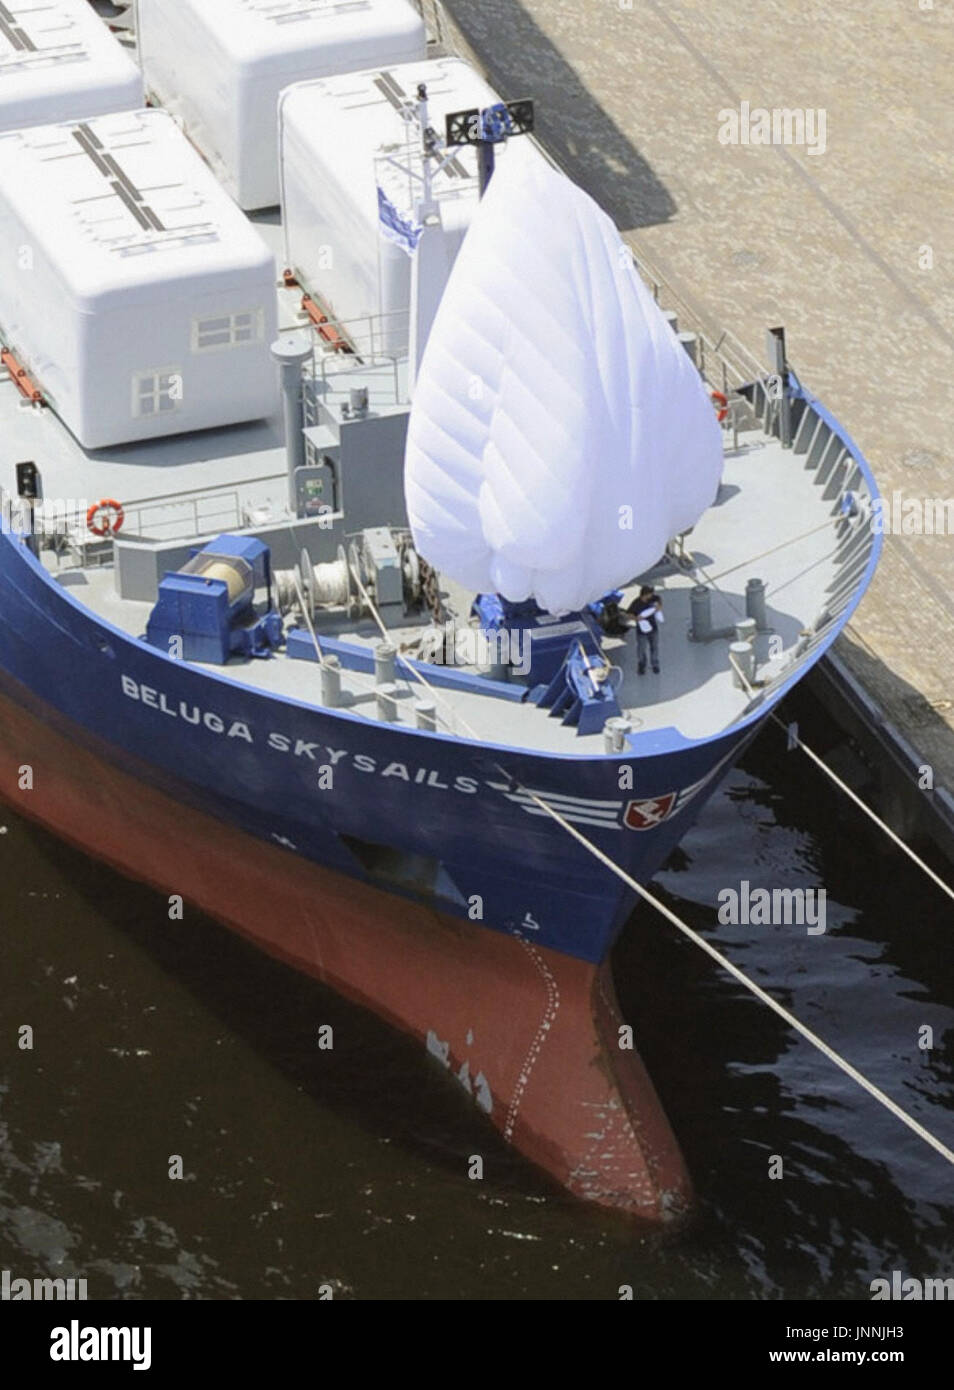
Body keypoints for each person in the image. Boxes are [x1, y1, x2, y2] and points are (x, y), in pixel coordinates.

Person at [627, 585, 664, 675]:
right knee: (641, 649)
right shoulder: (636, 604)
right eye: (650, 594)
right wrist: (636, 618)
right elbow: (628, 614)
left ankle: (655, 664)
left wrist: (659, 606)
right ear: (645, 595)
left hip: (653, 629)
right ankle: (642, 665)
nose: (651, 596)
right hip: (642, 631)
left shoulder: (653, 598)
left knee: (654, 647)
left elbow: (659, 600)